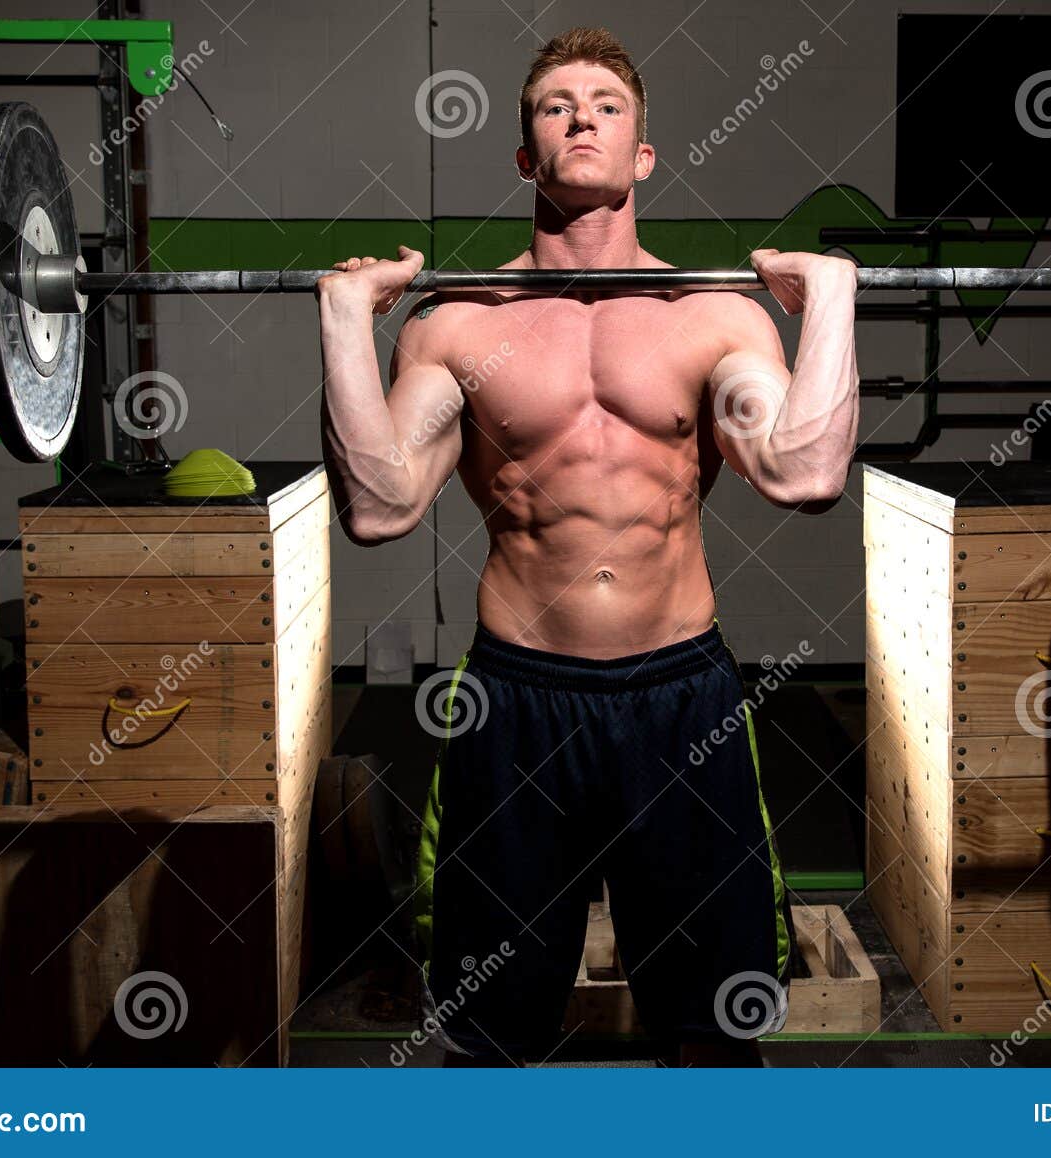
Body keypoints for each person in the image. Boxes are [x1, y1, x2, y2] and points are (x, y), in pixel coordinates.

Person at [316, 27, 859, 1067]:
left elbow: (805, 474)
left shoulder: (714, 315)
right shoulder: (459, 322)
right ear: (527, 155)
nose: (581, 117)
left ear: (642, 154)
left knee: (712, 1026)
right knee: (490, 1026)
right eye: (556, 104)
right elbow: (380, 507)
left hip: (681, 702)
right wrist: (346, 321)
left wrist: (829, 298)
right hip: (513, 703)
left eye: (607, 104)